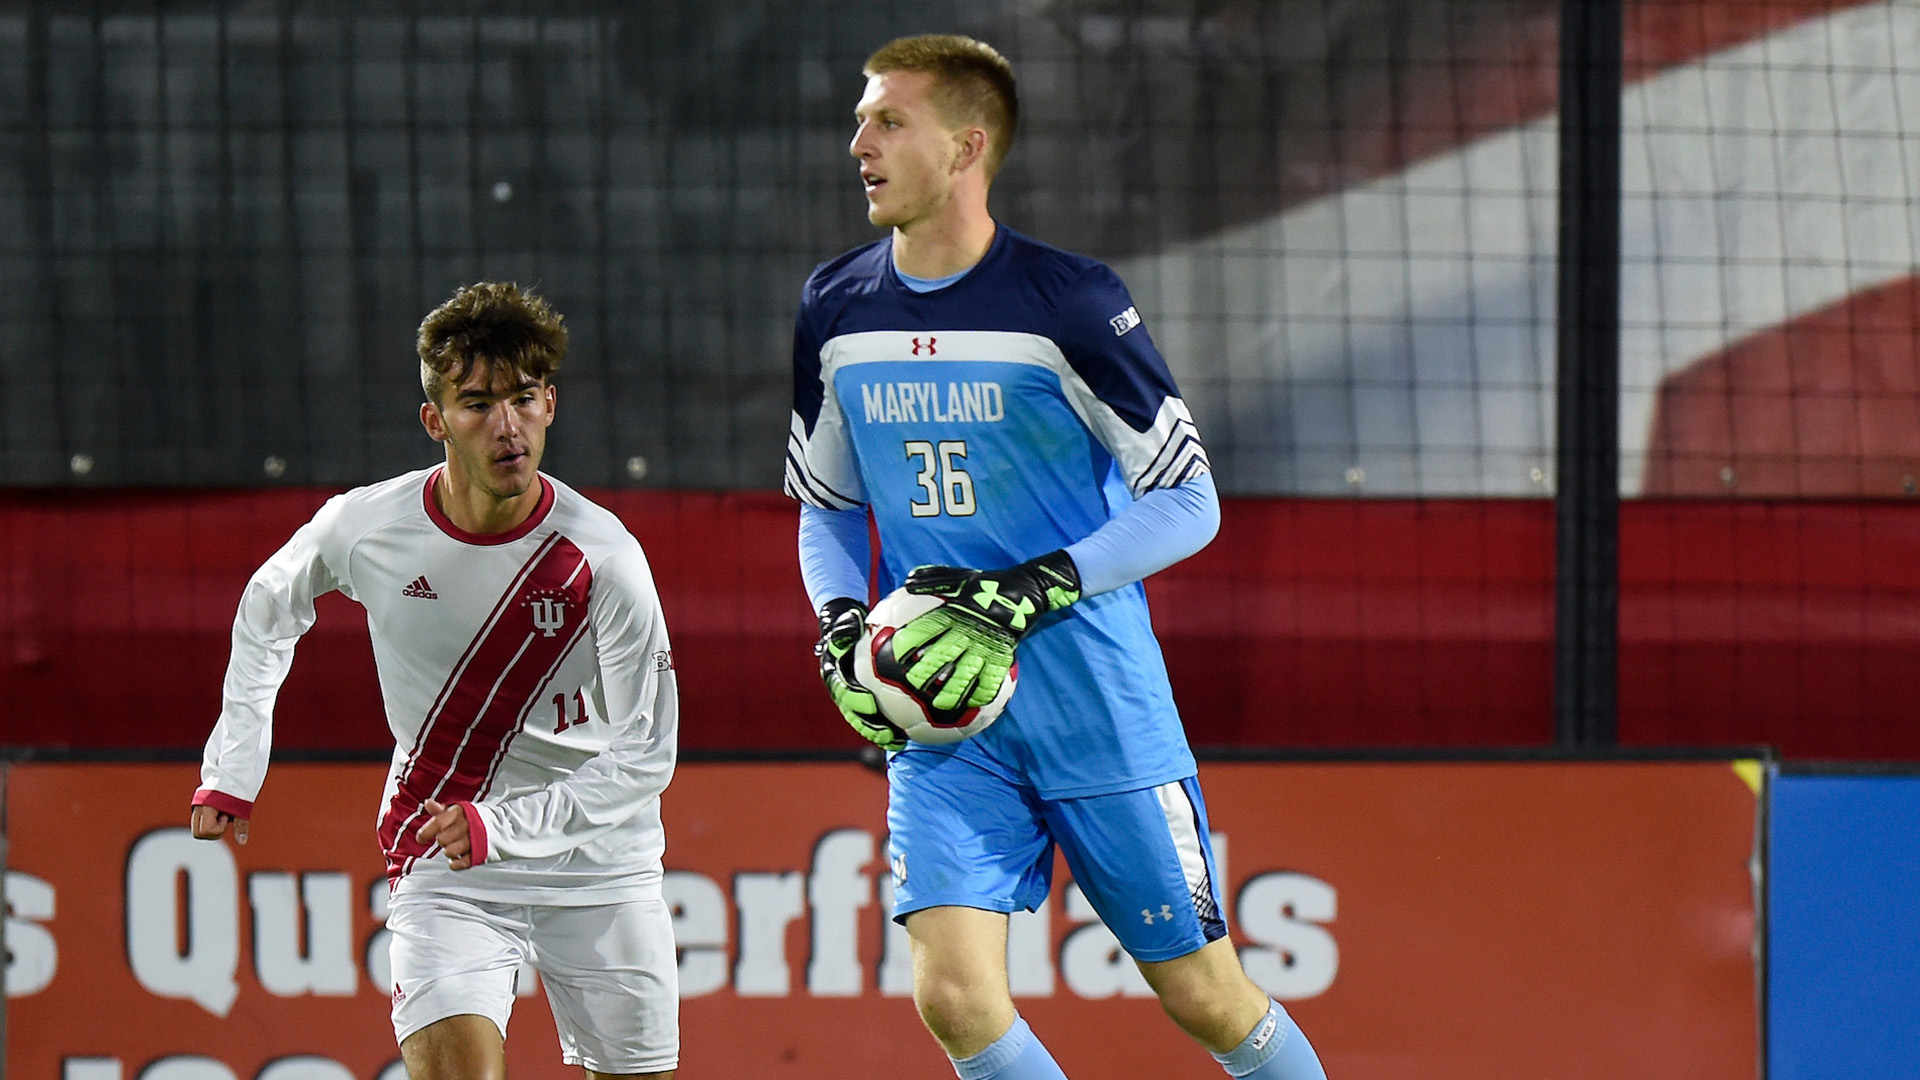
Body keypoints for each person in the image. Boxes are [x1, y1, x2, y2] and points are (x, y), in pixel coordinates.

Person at [788, 33, 1329, 1080]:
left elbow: (1190, 502)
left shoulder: (1068, 302)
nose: (859, 143)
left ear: (966, 147)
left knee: (1206, 997)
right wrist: (841, 625)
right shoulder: (836, 308)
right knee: (953, 997)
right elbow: (827, 508)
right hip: (946, 708)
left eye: (889, 120)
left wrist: (1032, 588)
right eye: (861, 120)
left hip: (1098, 708)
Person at [190, 282, 680, 1080]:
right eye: (477, 404)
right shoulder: (367, 528)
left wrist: (501, 824)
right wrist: (232, 768)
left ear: (551, 404)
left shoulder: (607, 558)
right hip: (447, 862)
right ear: (436, 421)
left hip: (601, 863)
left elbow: (645, 755)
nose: (506, 425)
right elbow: (266, 605)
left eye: (523, 398)